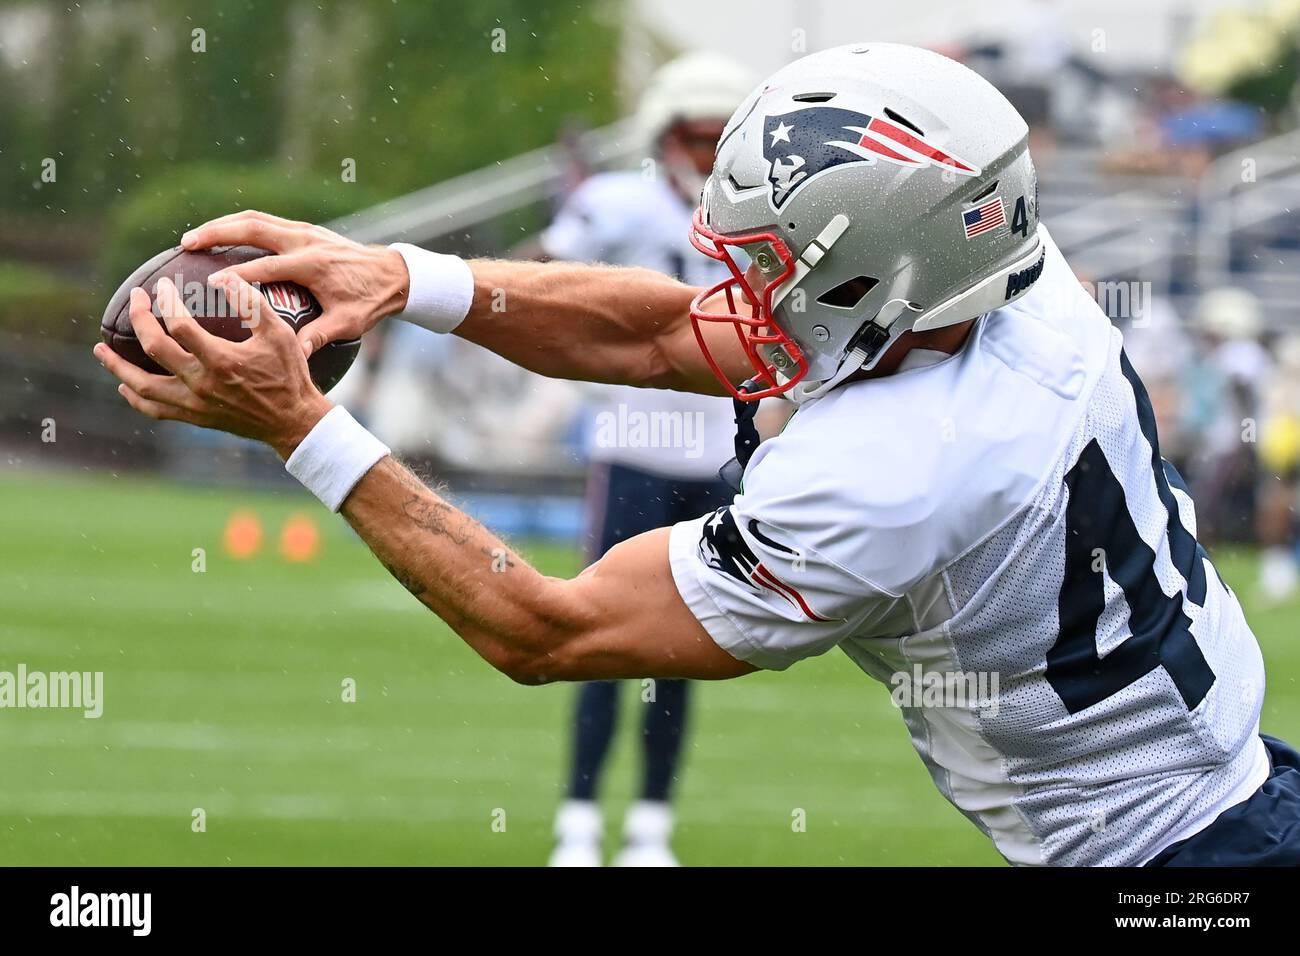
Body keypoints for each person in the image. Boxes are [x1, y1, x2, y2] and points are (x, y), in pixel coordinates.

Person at [94, 43, 1300, 866]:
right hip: (1237, 785)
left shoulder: (897, 472)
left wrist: (302, 428)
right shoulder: (1009, 282)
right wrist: (409, 278)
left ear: (884, 269)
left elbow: (549, 629)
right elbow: (672, 332)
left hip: (1167, 862)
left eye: (772, 258)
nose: (739, 280)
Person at [533, 52, 754, 868]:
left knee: (686, 646)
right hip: (631, 450)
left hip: (719, 459)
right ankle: (580, 818)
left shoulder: (761, 216)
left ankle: (652, 824)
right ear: (665, 135)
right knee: (597, 634)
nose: (704, 153)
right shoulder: (615, 206)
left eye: (717, 137)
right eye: (694, 135)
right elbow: (547, 290)